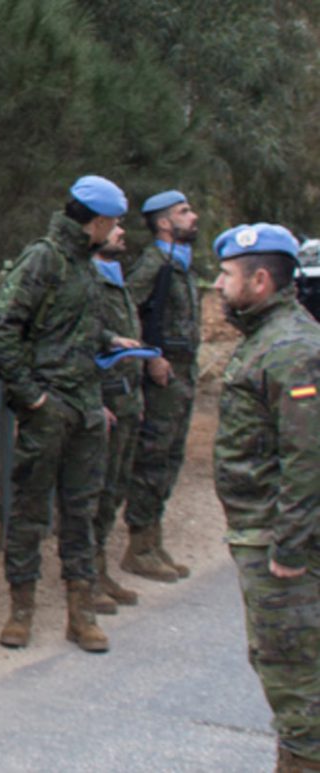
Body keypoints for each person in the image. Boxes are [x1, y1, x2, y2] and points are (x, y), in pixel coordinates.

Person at [0, 175, 140, 653]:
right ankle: (21, 610)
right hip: (49, 409)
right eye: (112, 223)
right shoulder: (44, 259)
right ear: (95, 221)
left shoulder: (85, 267)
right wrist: (31, 395)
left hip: (87, 408)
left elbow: (71, 328)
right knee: (31, 510)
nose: (114, 231)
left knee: (82, 510)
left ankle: (81, 613)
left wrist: (111, 341)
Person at [210, 223, 320, 772]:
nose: (217, 286)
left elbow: (308, 457)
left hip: (279, 542)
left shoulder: (292, 348)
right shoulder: (268, 338)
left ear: (258, 280)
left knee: (294, 677)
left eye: (226, 276)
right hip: (261, 530)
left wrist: (289, 549)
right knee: (284, 668)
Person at [121, 190, 200, 582]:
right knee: (152, 455)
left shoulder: (179, 264)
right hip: (162, 375)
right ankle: (139, 545)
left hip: (184, 372)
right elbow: (128, 310)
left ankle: (153, 538)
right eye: (184, 212)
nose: (193, 217)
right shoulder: (153, 264)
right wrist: (150, 355)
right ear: (165, 223)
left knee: (171, 457)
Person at [90, 225, 144, 612]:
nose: (120, 232)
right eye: (112, 224)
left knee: (114, 490)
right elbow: (75, 342)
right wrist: (91, 397)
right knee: (92, 494)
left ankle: (100, 569)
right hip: (101, 400)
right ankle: (85, 578)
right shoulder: (86, 279)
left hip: (126, 398)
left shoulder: (116, 279)